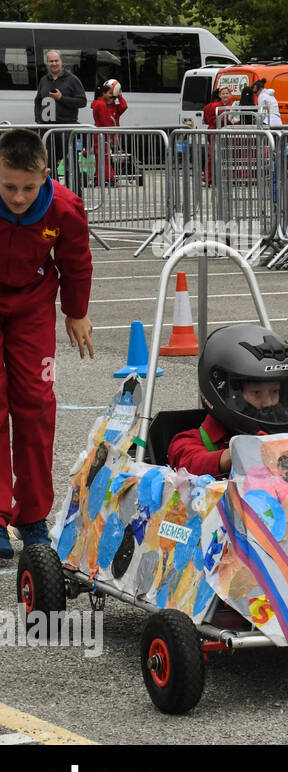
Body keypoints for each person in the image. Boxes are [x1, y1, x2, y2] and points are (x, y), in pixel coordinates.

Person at [0, 129, 94, 559]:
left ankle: (33, 515)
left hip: (33, 308)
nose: (18, 197)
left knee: (37, 404)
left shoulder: (64, 207)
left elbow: (75, 261)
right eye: (8, 187)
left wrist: (76, 311)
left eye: (28, 187)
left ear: (44, 176)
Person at [168, 325, 288, 477]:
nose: (268, 402)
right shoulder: (188, 442)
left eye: (275, 391)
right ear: (225, 392)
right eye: (256, 393)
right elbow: (189, 462)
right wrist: (233, 455)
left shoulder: (287, 438)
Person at [33, 50, 87, 186]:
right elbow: (38, 100)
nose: (54, 64)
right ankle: (52, 195)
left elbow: (82, 102)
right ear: (47, 63)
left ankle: (74, 195)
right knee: (48, 165)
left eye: (56, 61)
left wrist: (61, 98)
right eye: (51, 61)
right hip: (47, 130)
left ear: (61, 62)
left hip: (67, 129)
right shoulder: (44, 80)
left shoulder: (72, 80)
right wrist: (38, 120)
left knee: (71, 164)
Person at [90, 81, 127, 186]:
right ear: (103, 93)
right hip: (104, 134)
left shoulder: (102, 104)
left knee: (103, 157)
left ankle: (101, 178)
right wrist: (110, 133)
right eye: (110, 94)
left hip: (107, 135)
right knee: (104, 158)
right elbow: (105, 121)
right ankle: (108, 177)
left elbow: (124, 106)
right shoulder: (101, 104)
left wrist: (119, 96)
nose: (112, 97)